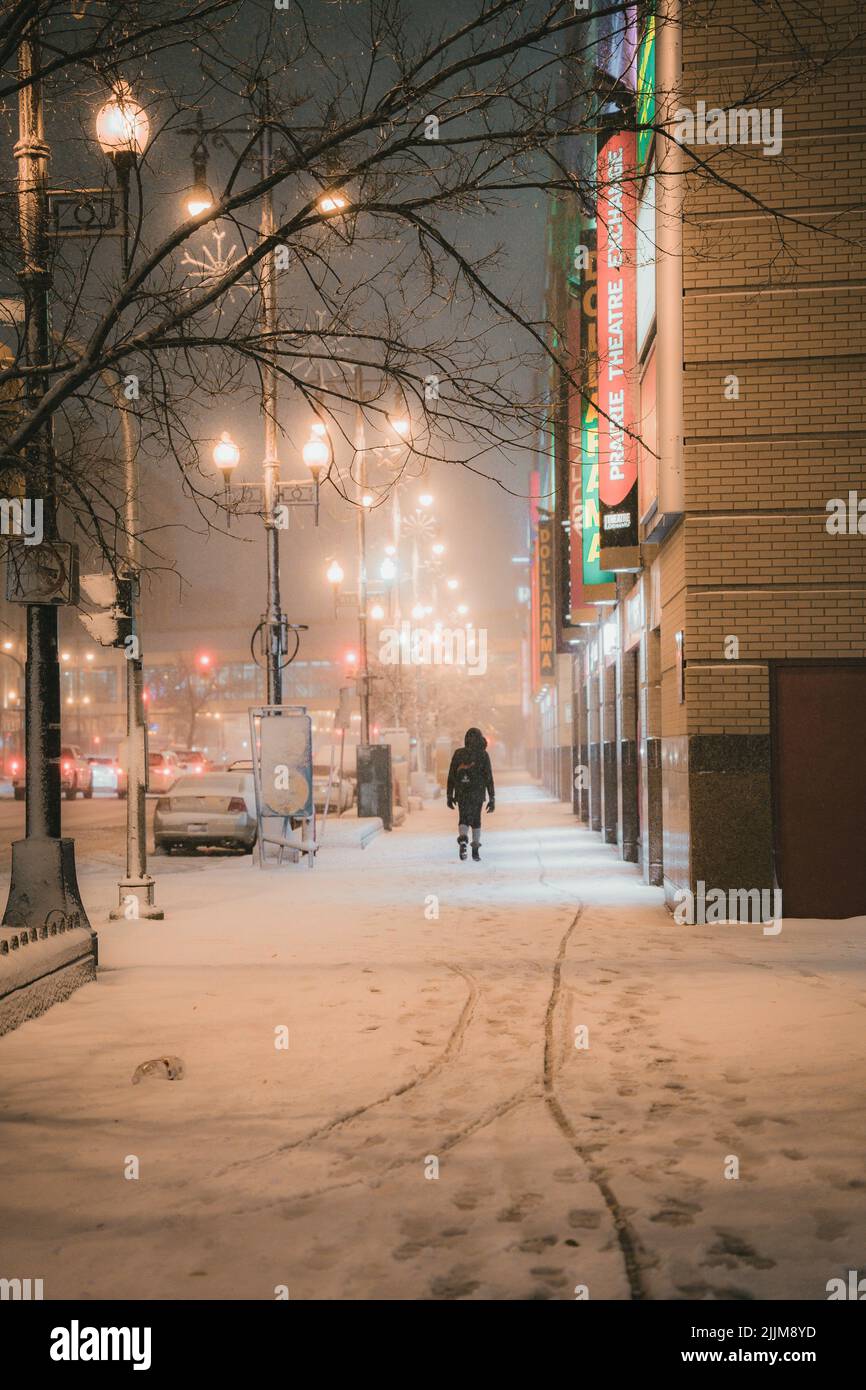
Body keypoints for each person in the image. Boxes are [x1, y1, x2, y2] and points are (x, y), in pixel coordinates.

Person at [446, 727, 495, 861]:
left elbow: (451, 776)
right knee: (476, 820)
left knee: (463, 818)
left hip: (462, 791)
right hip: (477, 792)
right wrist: (492, 798)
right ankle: (475, 849)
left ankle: (463, 839)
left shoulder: (458, 754)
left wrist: (449, 795)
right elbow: (489, 777)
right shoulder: (483, 755)